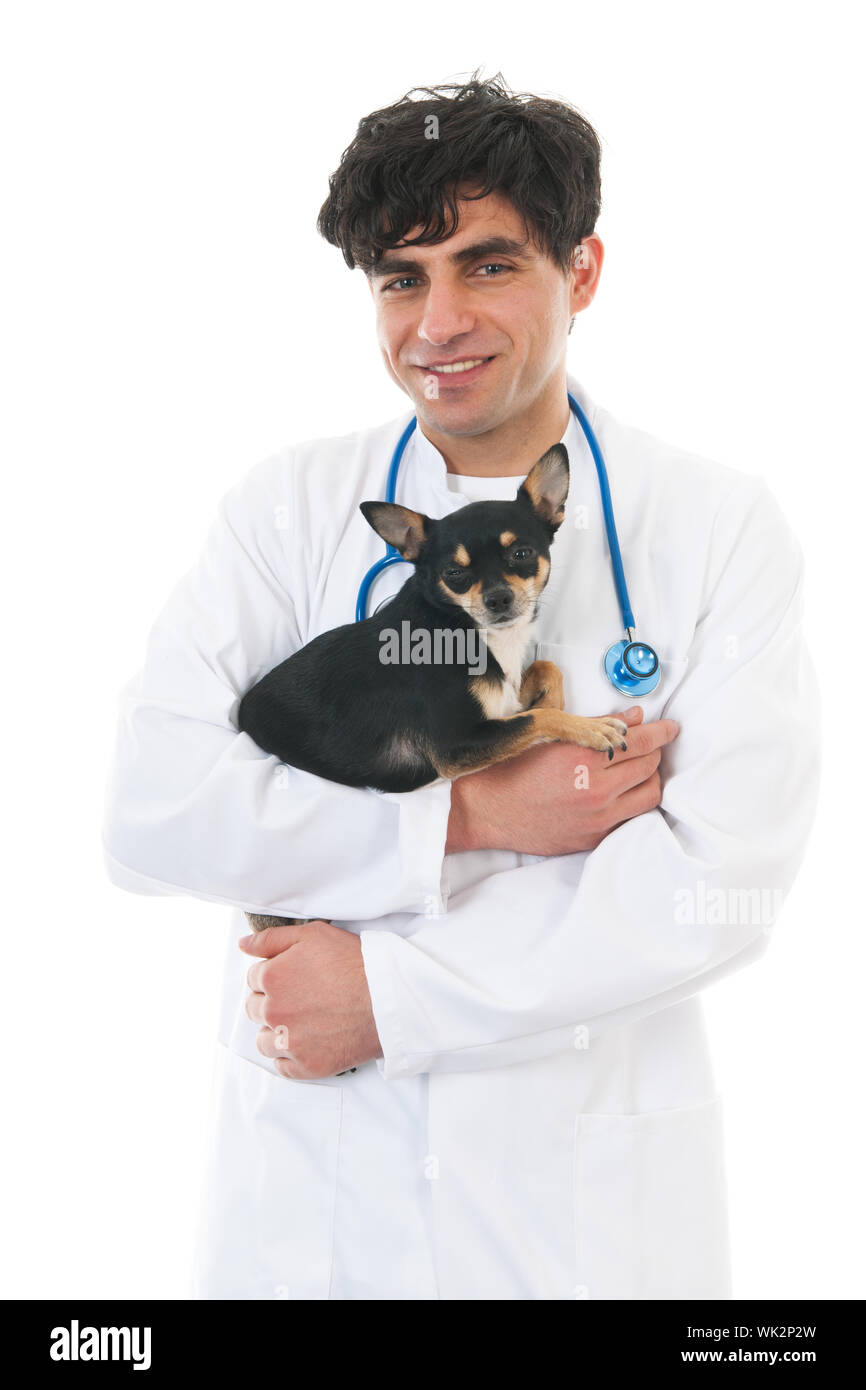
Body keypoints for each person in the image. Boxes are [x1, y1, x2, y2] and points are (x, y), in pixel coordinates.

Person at [102, 73, 820, 1300]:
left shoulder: (711, 526)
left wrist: (383, 993)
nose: (438, 322)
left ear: (580, 271)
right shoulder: (286, 512)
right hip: (312, 1209)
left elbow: (714, 885)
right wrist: (474, 818)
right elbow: (154, 811)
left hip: (581, 1219)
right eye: (400, 277)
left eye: (486, 266)